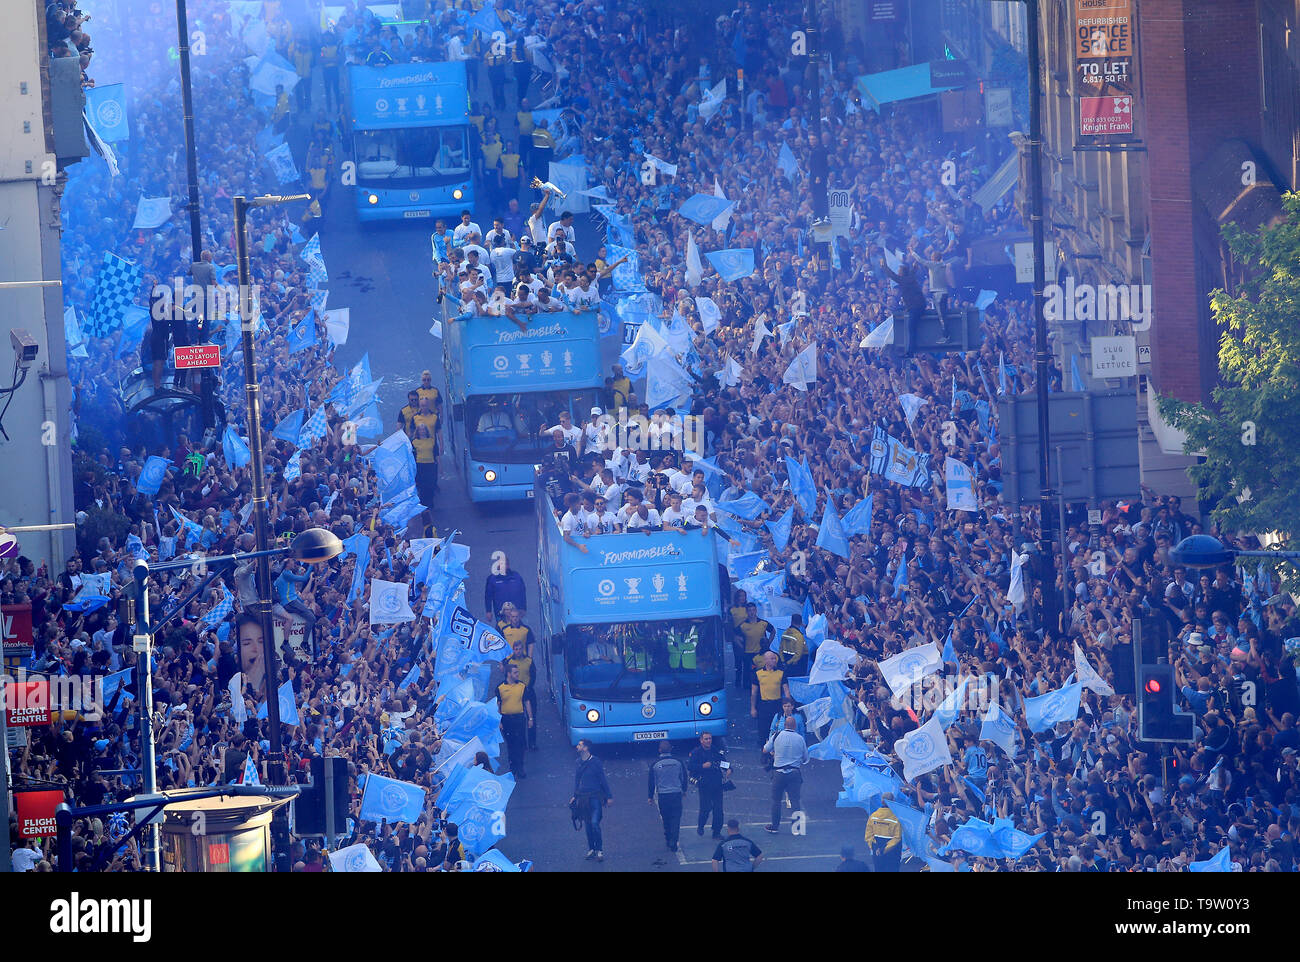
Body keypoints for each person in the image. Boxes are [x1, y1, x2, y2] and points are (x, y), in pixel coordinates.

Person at [763, 715, 808, 834]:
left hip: (778, 773)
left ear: (784, 725)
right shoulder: (800, 739)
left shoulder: (777, 736)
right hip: (794, 773)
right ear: (795, 726)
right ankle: (797, 828)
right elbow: (805, 758)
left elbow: (765, 750)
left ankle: (775, 826)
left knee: (776, 800)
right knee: (795, 801)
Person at [571, 738, 612, 861]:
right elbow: (577, 780)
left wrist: (609, 796)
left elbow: (602, 779)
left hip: (595, 797)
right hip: (583, 798)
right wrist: (574, 795)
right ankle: (592, 849)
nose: (577, 746)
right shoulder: (578, 762)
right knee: (588, 825)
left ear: (586, 748)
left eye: (579, 745)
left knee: (594, 823)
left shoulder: (596, 762)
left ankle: (599, 850)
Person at [647, 739, 689, 852]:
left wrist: (650, 796)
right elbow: (684, 777)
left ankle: (668, 838)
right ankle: (674, 841)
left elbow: (651, 782)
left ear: (659, 750)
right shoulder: (678, 762)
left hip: (663, 796)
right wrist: (684, 790)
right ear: (671, 749)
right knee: (676, 818)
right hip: (676, 794)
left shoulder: (655, 765)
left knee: (666, 818)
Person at [495, 661, 532, 779]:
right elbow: (498, 705)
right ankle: (513, 768)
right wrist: (499, 721)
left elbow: (527, 702)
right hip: (507, 720)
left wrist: (531, 718)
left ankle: (520, 767)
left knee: (520, 743)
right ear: (509, 674)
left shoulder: (522, 686)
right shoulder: (500, 688)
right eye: (515, 673)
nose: (517, 675)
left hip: (519, 718)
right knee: (510, 744)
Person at [688, 731, 727, 839]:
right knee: (705, 808)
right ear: (701, 740)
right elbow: (690, 766)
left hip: (717, 783)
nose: (708, 741)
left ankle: (716, 832)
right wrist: (702, 766)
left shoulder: (716, 751)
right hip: (704, 784)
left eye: (709, 738)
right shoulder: (696, 753)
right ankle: (701, 826)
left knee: (718, 810)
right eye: (706, 739)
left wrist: (729, 769)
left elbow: (723, 762)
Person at [751, 650, 791, 748]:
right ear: (765, 660)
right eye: (772, 659)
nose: (774, 661)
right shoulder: (758, 673)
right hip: (763, 705)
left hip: (776, 704)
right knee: (763, 729)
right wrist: (753, 708)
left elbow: (786, 690)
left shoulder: (781, 673)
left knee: (777, 727)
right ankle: (764, 750)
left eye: (775, 658)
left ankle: (776, 749)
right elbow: (754, 692)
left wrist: (788, 706)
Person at [484, 553, 527, 620]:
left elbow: (522, 593)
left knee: (517, 630)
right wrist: (488, 611)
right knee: (501, 630)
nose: (503, 566)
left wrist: (524, 608)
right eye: (501, 564)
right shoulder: (492, 579)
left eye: (505, 564)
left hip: (516, 614)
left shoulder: (516, 576)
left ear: (508, 565)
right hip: (500, 615)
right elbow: (488, 596)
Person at [865, 796, 903, 872]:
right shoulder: (896, 818)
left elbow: (868, 835)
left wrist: (874, 847)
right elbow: (897, 837)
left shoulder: (873, 816)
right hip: (893, 852)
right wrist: (884, 849)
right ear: (893, 802)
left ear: (881, 801)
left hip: (877, 851)